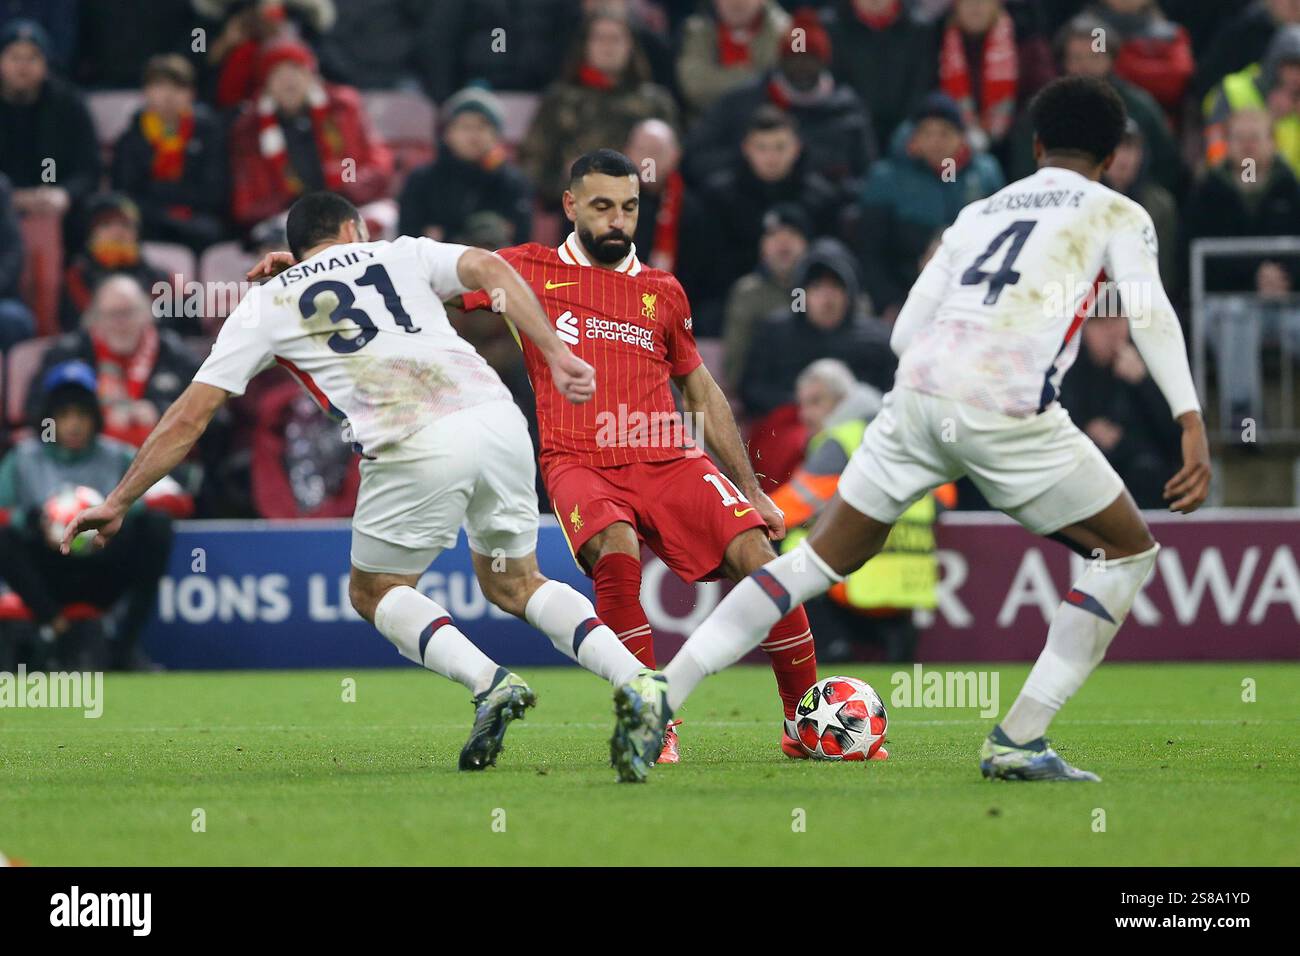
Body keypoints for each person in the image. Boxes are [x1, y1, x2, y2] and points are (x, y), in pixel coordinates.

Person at [610, 76, 1211, 785]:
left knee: (808, 563)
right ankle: (1019, 738)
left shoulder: (979, 210)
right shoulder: (1116, 211)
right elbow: (1150, 313)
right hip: (1008, 408)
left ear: (1037, 145)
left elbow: (903, 333)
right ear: (1111, 157)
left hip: (917, 397)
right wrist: (1190, 418)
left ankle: (661, 691)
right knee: (1127, 551)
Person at [66, 192, 649, 772]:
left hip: (412, 434)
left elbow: (190, 416)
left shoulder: (266, 303)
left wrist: (119, 500)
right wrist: (553, 351)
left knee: (373, 590)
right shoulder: (403, 253)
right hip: (497, 417)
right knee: (517, 583)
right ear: (354, 228)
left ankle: (488, 682)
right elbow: (491, 268)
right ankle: (639, 680)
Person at [453, 151, 824, 768]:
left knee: (761, 557)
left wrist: (753, 489)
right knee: (616, 549)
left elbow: (700, 389)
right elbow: (429, 283)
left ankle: (805, 719)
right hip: (578, 458)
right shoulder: (524, 270)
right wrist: (315, 278)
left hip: (668, 454)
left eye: (629, 207)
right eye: (602, 207)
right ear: (570, 207)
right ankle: (652, 713)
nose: (617, 221)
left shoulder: (663, 292)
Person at [770, 358, 950, 666]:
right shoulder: (900, 430)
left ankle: (830, 645)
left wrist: (742, 513)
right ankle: (896, 640)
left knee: (787, 546)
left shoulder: (841, 440)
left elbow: (790, 508)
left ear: (842, 401)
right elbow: (944, 496)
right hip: (909, 581)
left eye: (816, 402)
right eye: (803, 404)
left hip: (857, 579)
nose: (805, 414)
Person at [0, 361, 175, 671]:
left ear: (94, 417)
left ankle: (123, 647)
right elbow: (4, 511)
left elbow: (165, 497)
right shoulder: (23, 458)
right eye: (64, 416)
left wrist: (114, 513)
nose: (74, 425)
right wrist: (30, 521)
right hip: (48, 571)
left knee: (157, 527)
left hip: (103, 564)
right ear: (49, 420)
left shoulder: (118, 454)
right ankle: (57, 630)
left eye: (82, 415)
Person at [1184, 108, 1300, 428]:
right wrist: (1253, 278)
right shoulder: (1207, 194)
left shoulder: (1291, 190)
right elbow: (1194, 262)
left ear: (1273, 142)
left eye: (1256, 137)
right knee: (1238, 313)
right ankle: (1243, 416)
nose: (1248, 146)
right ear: (1228, 143)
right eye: (1240, 138)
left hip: (1284, 305)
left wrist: (1286, 278)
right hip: (1223, 310)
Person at [856, 93, 1005, 320]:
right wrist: (888, 302)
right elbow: (871, 251)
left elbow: (1001, 238)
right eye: (926, 133)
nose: (935, 142)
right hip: (905, 293)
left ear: (961, 137)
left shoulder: (985, 175)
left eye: (945, 133)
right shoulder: (886, 179)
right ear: (913, 138)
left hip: (972, 293)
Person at [518, 10, 677, 209]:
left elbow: (671, 161)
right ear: (586, 45)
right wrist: (569, 181)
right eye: (600, 38)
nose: (607, 47)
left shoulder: (655, 103)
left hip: (643, 208)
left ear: (631, 46)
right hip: (574, 211)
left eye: (615, 39)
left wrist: (646, 173)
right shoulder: (560, 100)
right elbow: (532, 163)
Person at [228, 40, 393, 231]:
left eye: (296, 70)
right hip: (288, 216)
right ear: (265, 83)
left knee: (384, 219)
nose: (289, 80)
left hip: (353, 204)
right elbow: (246, 201)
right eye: (278, 73)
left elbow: (378, 162)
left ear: (312, 75)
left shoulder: (343, 108)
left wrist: (351, 187)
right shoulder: (250, 130)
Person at [35, 275, 201, 452]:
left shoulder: (173, 352)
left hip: (165, 462)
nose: (120, 323)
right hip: (84, 462)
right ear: (95, 318)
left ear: (146, 313)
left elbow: (214, 415)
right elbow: (37, 413)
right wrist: (93, 417)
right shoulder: (68, 353)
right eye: (112, 314)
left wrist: (163, 412)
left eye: (128, 313)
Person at [110, 54, 227, 254]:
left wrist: (158, 191)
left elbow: (215, 191)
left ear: (192, 94)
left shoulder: (209, 133)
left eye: (178, 87)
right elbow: (126, 193)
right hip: (149, 221)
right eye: (160, 86)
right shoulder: (131, 137)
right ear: (146, 92)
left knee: (209, 231)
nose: (169, 96)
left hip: (197, 221)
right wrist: (166, 212)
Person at [398, 85, 533, 247]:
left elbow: (520, 240)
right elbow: (408, 240)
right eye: (465, 127)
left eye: (482, 127)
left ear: (496, 135)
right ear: (447, 134)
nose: (473, 136)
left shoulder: (514, 182)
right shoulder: (421, 179)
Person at [721, 203, 810, 391]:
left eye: (793, 234)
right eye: (774, 235)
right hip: (767, 392)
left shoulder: (824, 288)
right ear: (762, 246)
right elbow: (736, 357)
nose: (783, 243)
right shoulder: (747, 292)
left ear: (806, 244)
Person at [59, 193, 176, 334]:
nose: (117, 232)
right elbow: (76, 325)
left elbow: (180, 324)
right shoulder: (77, 277)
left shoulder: (159, 277)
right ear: (91, 234)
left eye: (125, 224)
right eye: (106, 224)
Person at [676, 0, 791, 122]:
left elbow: (786, 84)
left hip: (771, 122)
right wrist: (756, 78)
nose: (736, 3)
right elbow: (696, 88)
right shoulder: (696, 32)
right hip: (711, 123)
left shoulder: (787, 31)